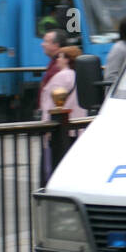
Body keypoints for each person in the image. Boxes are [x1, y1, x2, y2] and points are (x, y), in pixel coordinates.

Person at [38, 40, 82, 185]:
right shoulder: (77, 75)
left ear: (67, 59)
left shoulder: (61, 76)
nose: (57, 59)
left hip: (59, 127)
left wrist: (45, 126)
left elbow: (50, 103)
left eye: (60, 56)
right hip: (75, 127)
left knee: (52, 166)